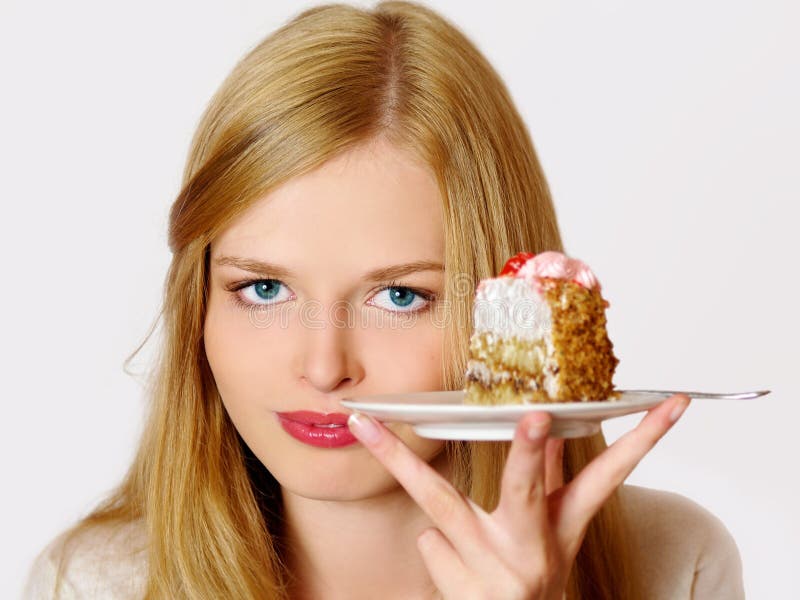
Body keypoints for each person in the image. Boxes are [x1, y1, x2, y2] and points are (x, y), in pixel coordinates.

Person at [23, 2, 744, 598]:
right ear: (198, 306)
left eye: (399, 296)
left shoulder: (677, 563)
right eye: (264, 289)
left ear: (505, 318)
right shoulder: (90, 584)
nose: (324, 366)